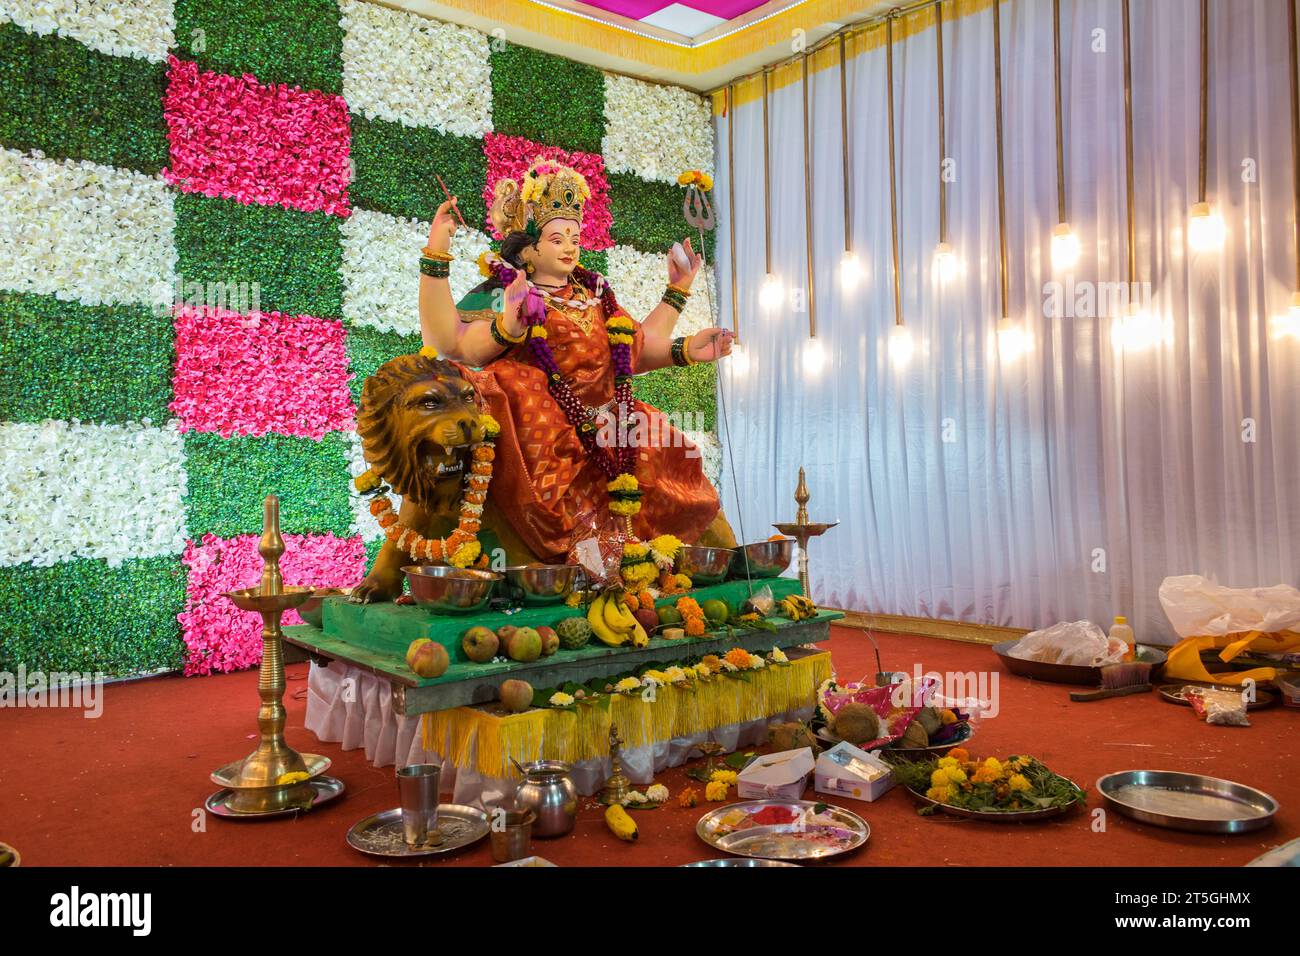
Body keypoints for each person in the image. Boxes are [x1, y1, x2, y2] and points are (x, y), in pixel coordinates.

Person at [416, 158, 736, 566]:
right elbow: (453, 345)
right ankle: (580, 562)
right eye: (557, 238)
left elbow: (630, 351)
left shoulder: (595, 294)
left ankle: (659, 559)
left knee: (670, 444)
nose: (570, 246)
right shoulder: (509, 289)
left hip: (609, 413)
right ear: (529, 249)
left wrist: (688, 346)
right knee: (541, 428)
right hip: (545, 412)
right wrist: (440, 257)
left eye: (574, 236)